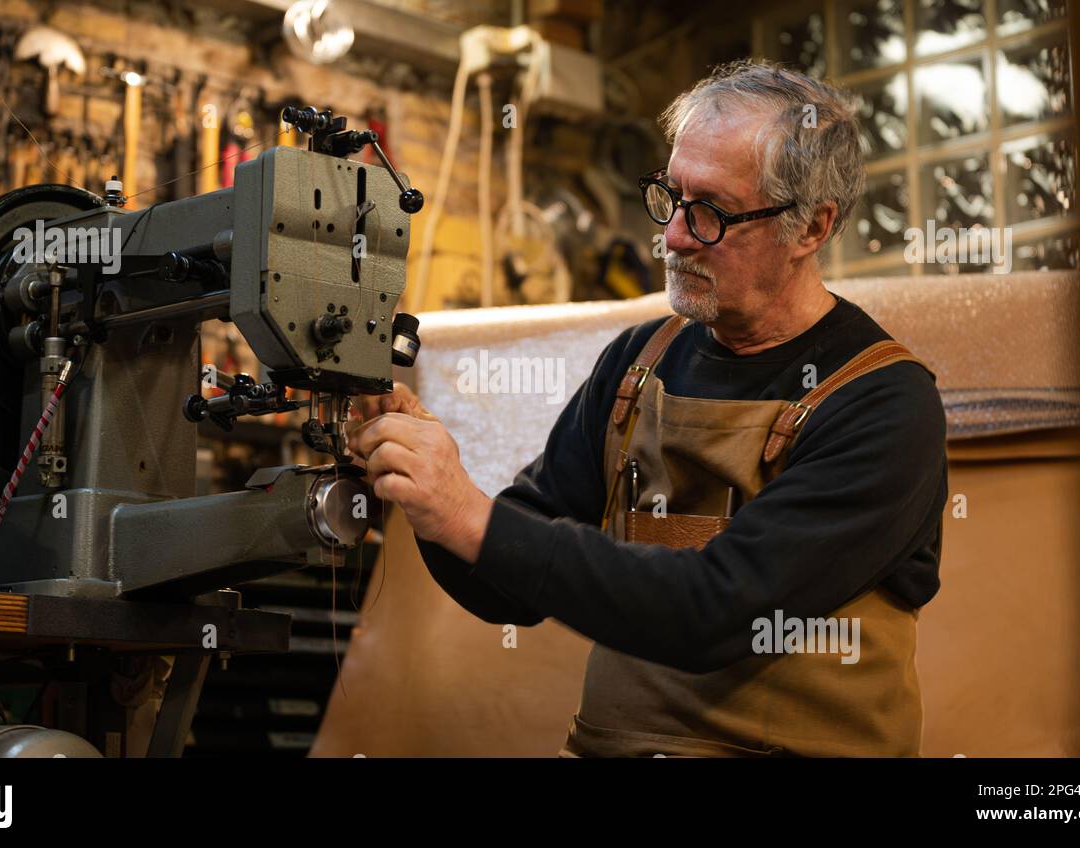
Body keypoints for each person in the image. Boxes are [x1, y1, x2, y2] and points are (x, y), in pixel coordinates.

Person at [346, 60, 947, 757]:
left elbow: (714, 612)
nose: (674, 237)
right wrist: (427, 497)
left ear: (811, 228)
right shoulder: (641, 362)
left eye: (713, 213)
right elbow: (511, 589)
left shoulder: (881, 403)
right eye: (671, 197)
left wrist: (469, 516)